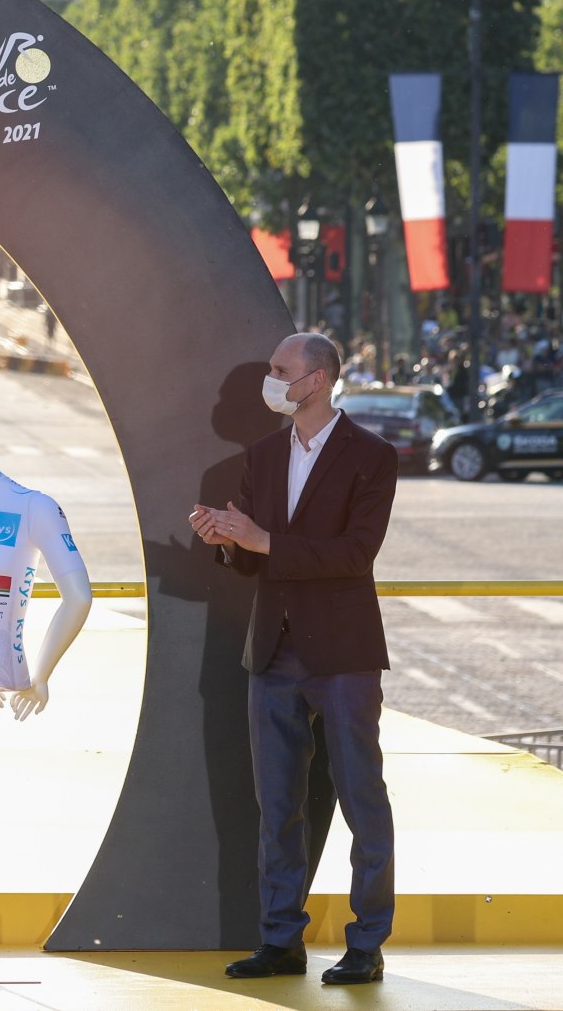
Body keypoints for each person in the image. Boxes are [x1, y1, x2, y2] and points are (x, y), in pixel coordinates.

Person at [191, 332, 398, 987]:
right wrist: (224, 539)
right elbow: (252, 552)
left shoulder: (372, 457)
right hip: (273, 652)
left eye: (281, 370)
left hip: (343, 652)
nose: (270, 379)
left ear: (318, 380)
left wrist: (262, 539)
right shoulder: (261, 455)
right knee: (276, 804)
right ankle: (281, 940)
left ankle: (367, 943)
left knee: (362, 797)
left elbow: (353, 555)